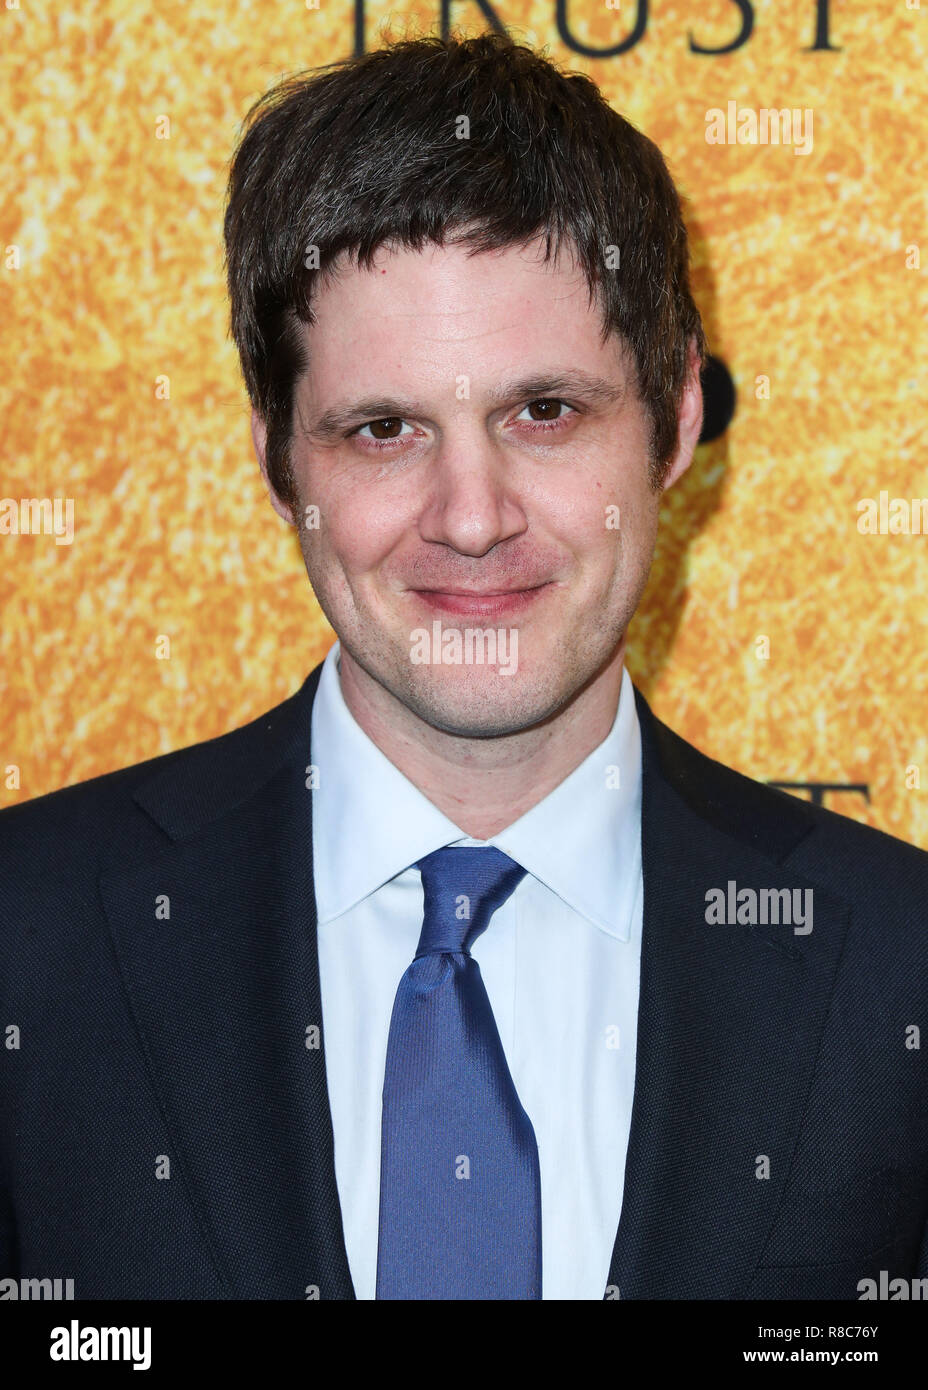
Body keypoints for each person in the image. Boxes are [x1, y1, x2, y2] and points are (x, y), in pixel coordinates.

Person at [1, 31, 926, 1302]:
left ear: (676, 421)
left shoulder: (897, 964)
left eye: (542, 412)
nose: (473, 515)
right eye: (383, 430)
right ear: (278, 462)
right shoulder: (28, 939)